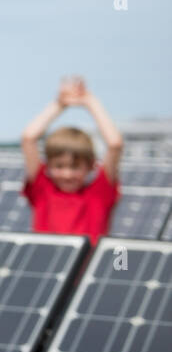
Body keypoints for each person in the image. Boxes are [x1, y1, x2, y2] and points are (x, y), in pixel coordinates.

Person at [20, 76, 123, 246]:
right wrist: (60, 103)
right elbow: (28, 138)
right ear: (48, 165)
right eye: (59, 166)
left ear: (91, 166)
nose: (67, 174)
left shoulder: (98, 195)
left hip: (85, 270)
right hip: (45, 268)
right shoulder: (43, 190)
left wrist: (90, 101)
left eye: (75, 167)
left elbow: (115, 144)